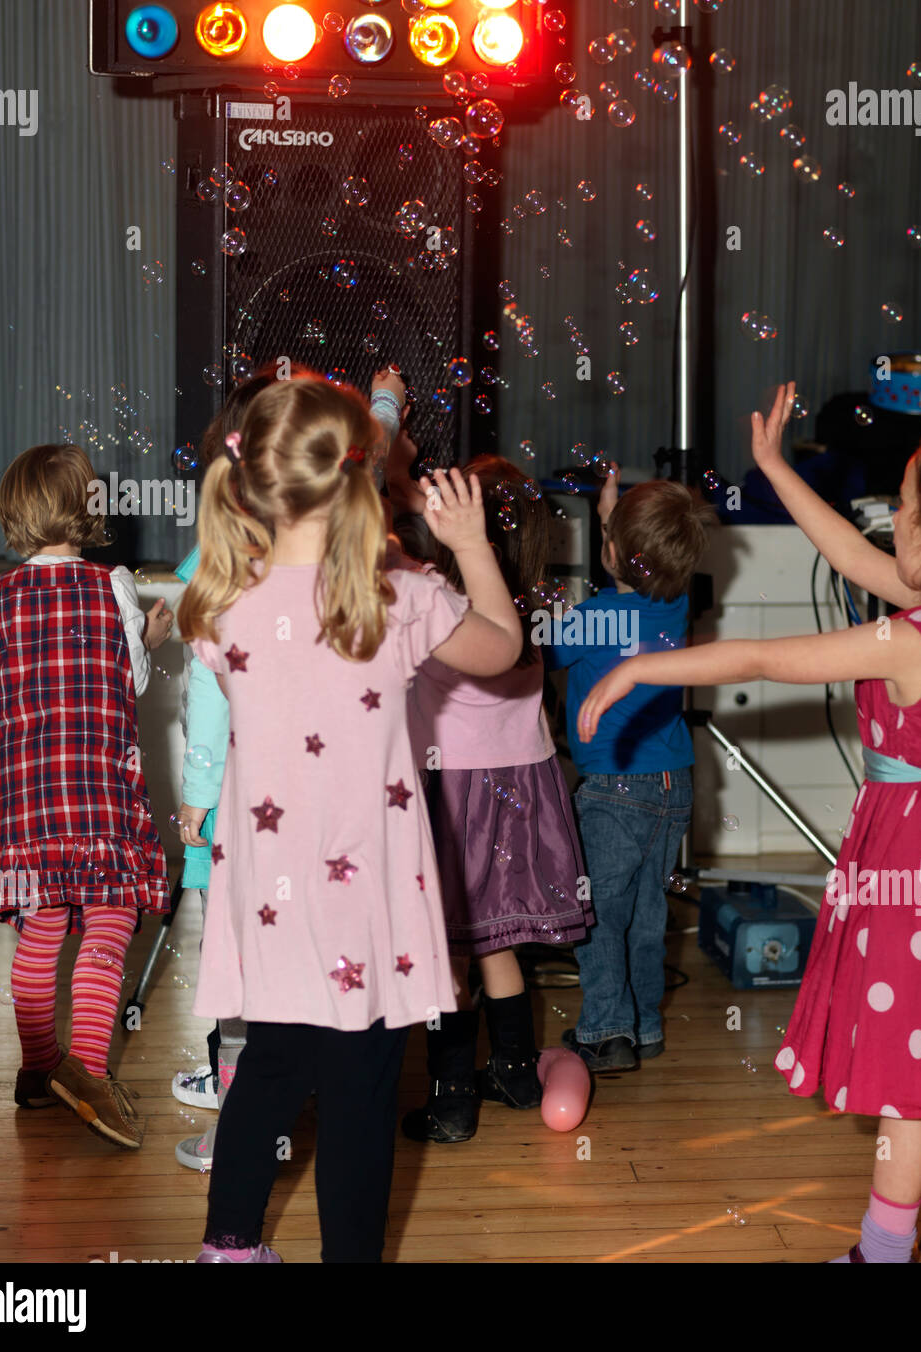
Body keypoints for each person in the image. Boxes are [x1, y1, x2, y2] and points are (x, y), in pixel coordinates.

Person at [578, 387, 921, 1262]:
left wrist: (639, 670)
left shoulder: (913, 638)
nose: (891, 526)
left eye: (905, 511)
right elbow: (847, 550)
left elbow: (764, 656)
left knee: (910, 1080)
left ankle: (881, 1251)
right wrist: (772, 468)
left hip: (916, 865)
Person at [177, 377, 521, 1262]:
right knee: (361, 1091)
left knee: (271, 1069)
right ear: (361, 480)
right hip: (366, 900)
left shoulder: (220, 601)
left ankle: (228, 1245)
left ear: (251, 479)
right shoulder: (395, 599)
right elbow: (502, 649)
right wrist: (471, 545)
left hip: (269, 895)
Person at [172, 363, 405, 1172]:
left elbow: (209, 713)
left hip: (257, 832)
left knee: (258, 1004)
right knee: (312, 1023)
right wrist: (386, 407)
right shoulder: (363, 584)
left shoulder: (221, 583)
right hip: (329, 840)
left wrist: (200, 801)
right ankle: (253, 1108)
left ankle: (239, 1130)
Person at [0, 443, 173, 1148]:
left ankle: (36, 1067)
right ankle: (84, 1069)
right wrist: (153, 636)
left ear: (15, 516)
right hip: (96, 794)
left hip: (25, 802)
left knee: (40, 930)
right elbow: (127, 684)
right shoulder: (114, 586)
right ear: (87, 512)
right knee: (109, 923)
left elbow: (8, 670)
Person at [389, 453, 593, 1142]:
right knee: (495, 942)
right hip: (523, 791)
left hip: (455, 793)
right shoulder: (530, 613)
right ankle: (509, 1070)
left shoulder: (440, 606)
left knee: (448, 950)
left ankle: (450, 1100)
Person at [548, 466, 714, 1071]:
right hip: (674, 786)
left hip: (616, 790)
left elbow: (536, 654)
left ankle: (605, 1031)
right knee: (647, 915)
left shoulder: (590, 618)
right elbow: (643, 573)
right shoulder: (677, 605)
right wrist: (616, 528)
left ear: (611, 552)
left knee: (599, 914)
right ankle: (644, 1025)